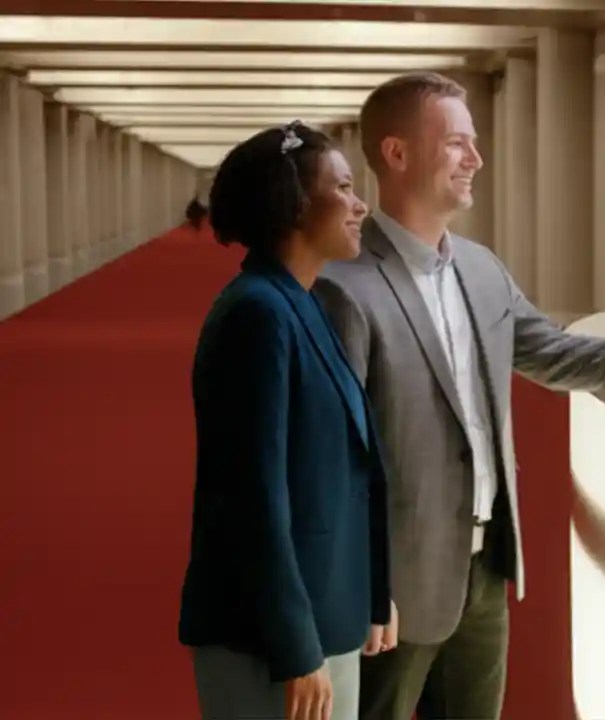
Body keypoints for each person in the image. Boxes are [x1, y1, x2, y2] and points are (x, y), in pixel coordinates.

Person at [311, 72, 605, 720]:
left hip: (486, 568)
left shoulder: (481, 267)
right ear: (395, 154)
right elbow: (335, 461)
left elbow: (553, 354)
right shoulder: (345, 288)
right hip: (397, 582)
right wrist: (361, 587)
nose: (476, 159)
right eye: (455, 143)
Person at [179, 121, 396, 720]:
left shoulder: (304, 299)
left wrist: (373, 593)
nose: (360, 204)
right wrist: (296, 648)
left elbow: (348, 470)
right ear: (294, 203)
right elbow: (252, 497)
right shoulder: (257, 314)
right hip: (269, 636)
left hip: (326, 608)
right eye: (346, 187)